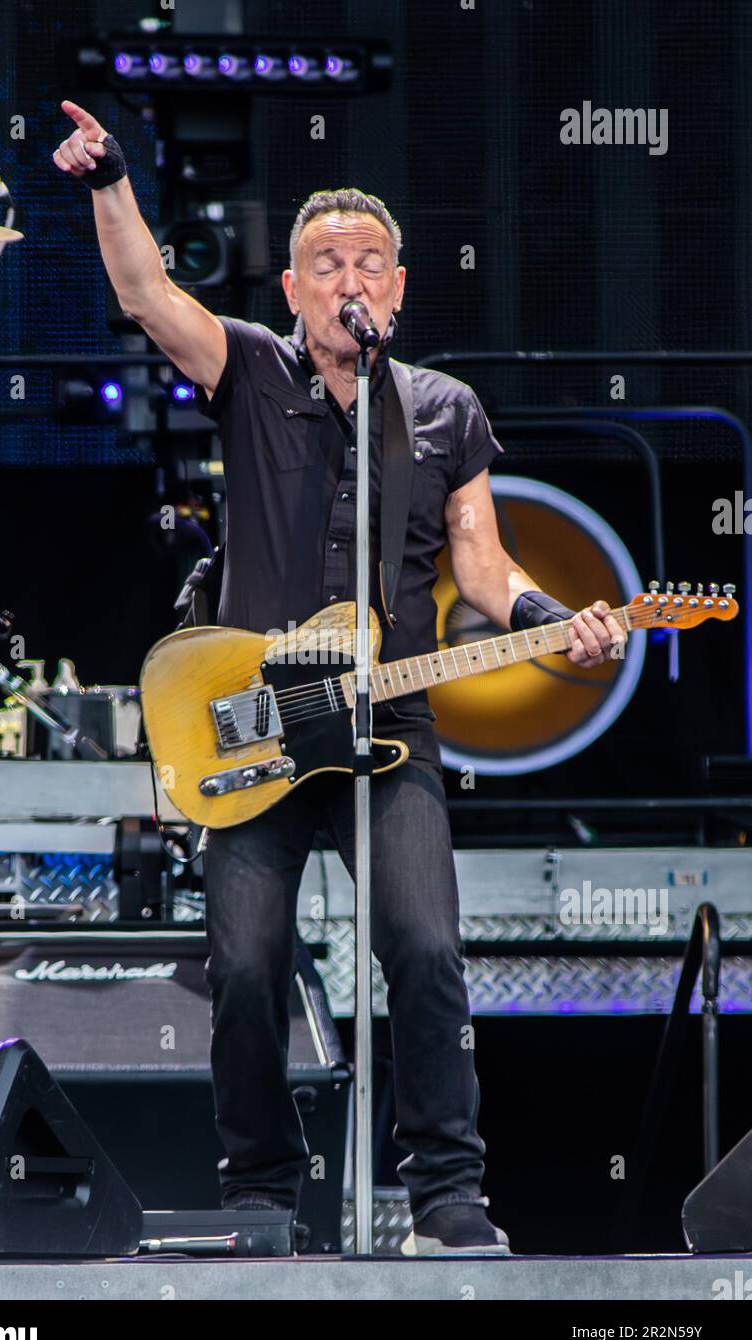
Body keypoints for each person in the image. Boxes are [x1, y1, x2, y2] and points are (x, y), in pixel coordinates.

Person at [53, 100, 625, 1256]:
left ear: (399, 289)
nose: (346, 277)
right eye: (324, 263)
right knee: (248, 964)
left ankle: (446, 1199)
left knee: (422, 946)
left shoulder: (442, 411)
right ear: (293, 291)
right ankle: (261, 1191)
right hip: (256, 724)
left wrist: (550, 620)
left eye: (367, 261)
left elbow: (478, 562)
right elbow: (148, 298)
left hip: (390, 722)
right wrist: (111, 178)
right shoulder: (252, 371)